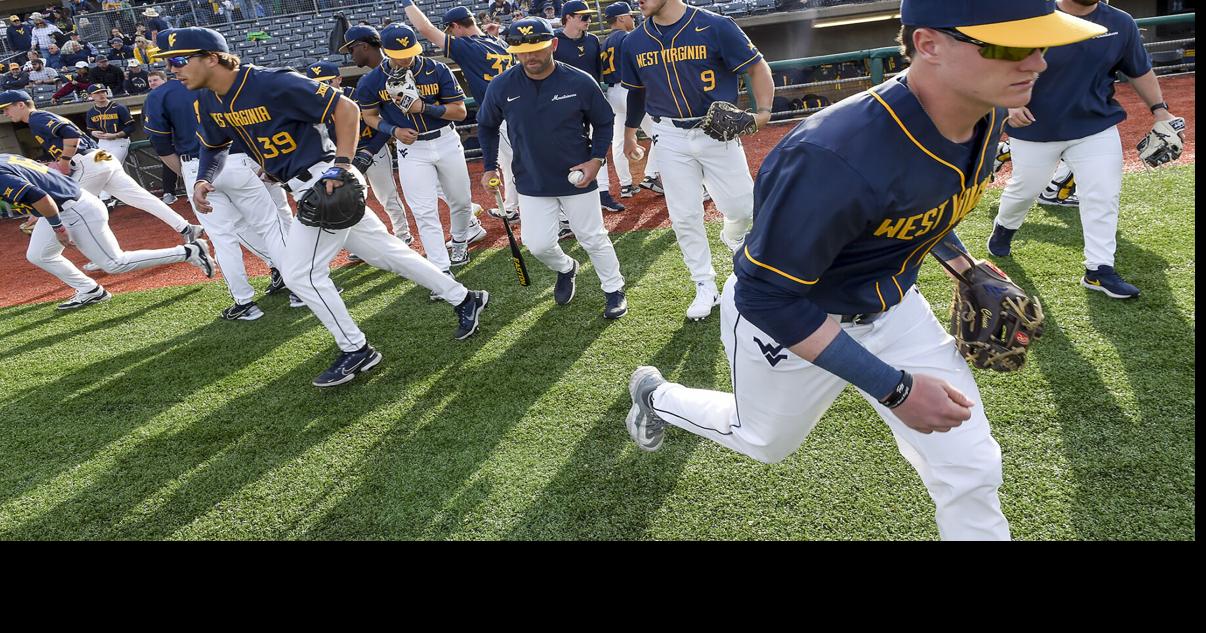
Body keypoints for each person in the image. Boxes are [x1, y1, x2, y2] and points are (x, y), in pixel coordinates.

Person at [621, 0, 1105, 540]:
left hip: (894, 309)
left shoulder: (984, 111)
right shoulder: (831, 154)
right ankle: (657, 396)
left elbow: (916, 203)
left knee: (971, 467)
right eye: (1012, 46)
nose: (1037, 62)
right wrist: (893, 389)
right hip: (795, 318)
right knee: (763, 440)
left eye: (1041, 43)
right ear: (929, 45)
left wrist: (966, 268)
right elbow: (767, 297)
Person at [164, 27, 489, 387]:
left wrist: (344, 163)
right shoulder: (208, 100)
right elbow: (213, 145)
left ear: (212, 58)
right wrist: (202, 177)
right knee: (387, 253)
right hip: (302, 185)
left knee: (299, 273)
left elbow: (345, 108)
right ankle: (465, 297)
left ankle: (356, 349)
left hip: (327, 180)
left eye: (179, 60)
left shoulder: (271, 83)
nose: (173, 69)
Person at [987, 0, 1184, 300]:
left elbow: (1139, 70)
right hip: (1034, 128)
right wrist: (1008, 104)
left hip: (1095, 127)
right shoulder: (1031, 15)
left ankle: (1099, 270)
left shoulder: (1120, 22)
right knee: (1025, 189)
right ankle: (1004, 227)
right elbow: (993, 64)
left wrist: (1160, 111)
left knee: (1102, 194)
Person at [619, 0, 774, 321]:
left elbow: (757, 66)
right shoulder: (634, 41)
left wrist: (763, 113)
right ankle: (705, 285)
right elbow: (637, 92)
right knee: (685, 215)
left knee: (744, 208)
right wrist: (630, 133)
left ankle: (732, 236)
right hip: (668, 134)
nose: (638, 1)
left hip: (717, 129)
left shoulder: (716, 25)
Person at [478, 17, 628, 320]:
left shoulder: (579, 81)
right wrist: (489, 166)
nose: (530, 57)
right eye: (522, 51)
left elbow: (603, 121)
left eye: (537, 49)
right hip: (531, 178)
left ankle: (614, 289)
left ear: (554, 45)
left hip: (577, 177)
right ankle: (566, 267)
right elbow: (486, 125)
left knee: (592, 237)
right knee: (537, 244)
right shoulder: (502, 85)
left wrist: (596, 159)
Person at [144, 42, 290, 321]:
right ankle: (298, 288)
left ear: (168, 64)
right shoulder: (221, 82)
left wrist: (190, 176)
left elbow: (162, 147)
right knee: (271, 225)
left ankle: (245, 303)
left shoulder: (160, 94)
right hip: (237, 158)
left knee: (224, 239)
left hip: (196, 165)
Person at [0, 150, 215, 310]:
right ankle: (90, 290)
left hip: (75, 209)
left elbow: (41, 197)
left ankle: (190, 251)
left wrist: (58, 227)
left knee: (115, 264)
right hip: (64, 202)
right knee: (38, 254)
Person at [356, 23, 482, 273]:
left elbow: (460, 111)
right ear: (386, 50)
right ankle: (440, 268)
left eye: (409, 51)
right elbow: (368, 115)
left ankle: (459, 240)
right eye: (398, 54)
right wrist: (393, 131)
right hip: (410, 148)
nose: (405, 58)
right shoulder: (372, 80)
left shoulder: (436, 68)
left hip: (445, 139)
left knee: (461, 201)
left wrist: (424, 108)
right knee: (424, 211)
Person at [0, 88, 203, 241]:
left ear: (21, 104)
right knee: (142, 198)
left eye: (6, 108)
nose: (6, 113)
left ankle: (106, 254)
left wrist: (63, 161)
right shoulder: (39, 118)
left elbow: (71, 136)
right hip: (100, 157)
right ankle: (187, 228)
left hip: (87, 163)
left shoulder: (37, 118)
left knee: (71, 207)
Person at [400, 3, 520, 225]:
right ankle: (512, 208)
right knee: (508, 160)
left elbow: (425, 29)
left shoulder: (468, 47)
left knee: (518, 163)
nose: (451, 35)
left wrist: (407, 3)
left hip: (502, 114)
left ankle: (559, 217)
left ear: (455, 26)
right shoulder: (497, 42)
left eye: (451, 30)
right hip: (516, 107)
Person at [553, 1, 625, 214]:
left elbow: (595, 75)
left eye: (589, 17)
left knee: (598, 147)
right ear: (568, 18)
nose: (589, 20)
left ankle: (602, 192)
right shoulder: (554, 41)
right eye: (583, 17)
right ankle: (565, 200)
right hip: (563, 103)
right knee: (566, 148)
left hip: (590, 102)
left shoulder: (593, 40)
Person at [600, 2, 659, 198]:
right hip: (630, 91)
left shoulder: (605, 42)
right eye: (630, 16)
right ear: (620, 18)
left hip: (613, 94)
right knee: (661, 135)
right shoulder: (627, 37)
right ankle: (650, 175)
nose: (633, 19)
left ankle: (626, 186)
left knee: (618, 141)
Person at [146, 70, 181, 204]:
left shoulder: (175, 94)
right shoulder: (151, 98)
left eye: (155, 80)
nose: (152, 83)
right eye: (150, 81)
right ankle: (169, 192)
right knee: (168, 166)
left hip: (181, 136)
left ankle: (194, 191)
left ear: (164, 80)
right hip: (164, 137)